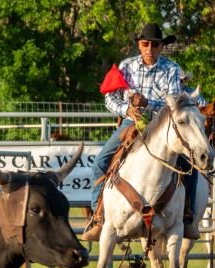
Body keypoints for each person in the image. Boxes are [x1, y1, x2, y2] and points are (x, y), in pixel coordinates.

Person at [81, 22, 194, 241]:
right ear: (139, 46)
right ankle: (98, 218)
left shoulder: (171, 69)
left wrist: (147, 103)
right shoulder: (126, 66)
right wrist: (127, 109)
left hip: (162, 127)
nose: (149, 49)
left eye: (154, 45)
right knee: (101, 162)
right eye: (145, 44)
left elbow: (174, 104)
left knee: (188, 165)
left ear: (161, 47)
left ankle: (186, 216)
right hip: (131, 124)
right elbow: (109, 98)